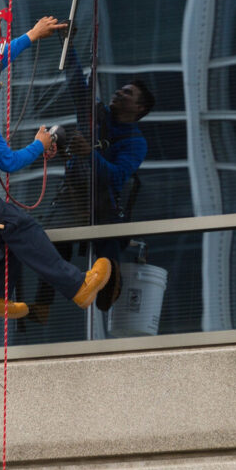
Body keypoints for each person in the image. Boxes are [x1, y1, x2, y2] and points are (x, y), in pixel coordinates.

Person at [0, 14, 112, 319]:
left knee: (13, 240)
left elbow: (1, 58)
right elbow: (9, 163)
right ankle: (79, 287)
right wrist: (40, 143)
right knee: (25, 227)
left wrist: (33, 34)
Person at [56, 43, 155, 307]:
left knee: (106, 238)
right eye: (121, 89)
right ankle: (43, 303)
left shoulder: (135, 143)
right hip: (75, 194)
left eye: (128, 93)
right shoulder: (97, 115)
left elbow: (116, 176)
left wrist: (90, 154)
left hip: (101, 205)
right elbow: (77, 84)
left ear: (139, 109)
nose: (119, 93)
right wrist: (67, 45)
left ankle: (109, 282)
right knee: (51, 243)